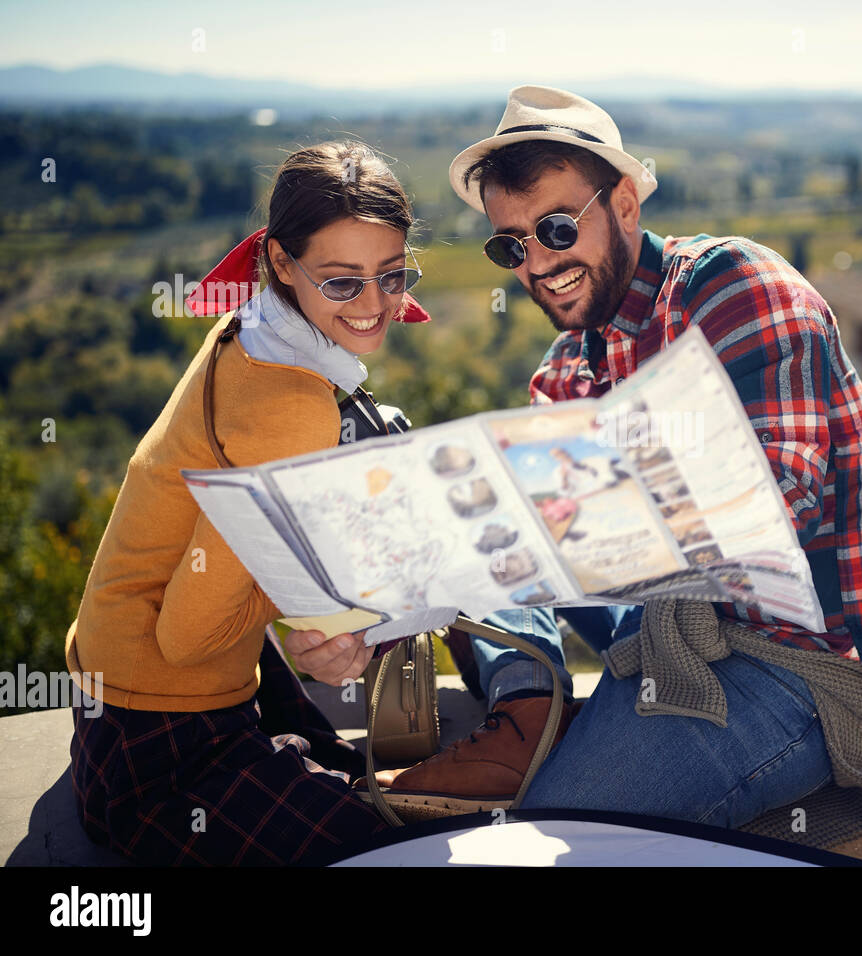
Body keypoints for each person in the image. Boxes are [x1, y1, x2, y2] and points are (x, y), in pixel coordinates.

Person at [374, 86, 862, 831]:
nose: (538, 263)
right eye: (512, 244)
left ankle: (538, 725)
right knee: (480, 512)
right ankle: (532, 709)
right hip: (661, 612)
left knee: (568, 828)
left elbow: (774, 512)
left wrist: (567, 522)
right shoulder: (570, 363)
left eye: (557, 228)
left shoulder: (734, 289)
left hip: (795, 661)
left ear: (625, 202)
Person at [61, 140, 542, 865]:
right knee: (398, 849)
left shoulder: (254, 327)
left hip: (125, 690)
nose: (376, 305)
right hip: (158, 743)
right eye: (342, 283)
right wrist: (326, 612)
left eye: (391, 275)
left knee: (372, 798)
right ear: (282, 263)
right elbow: (186, 639)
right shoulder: (291, 405)